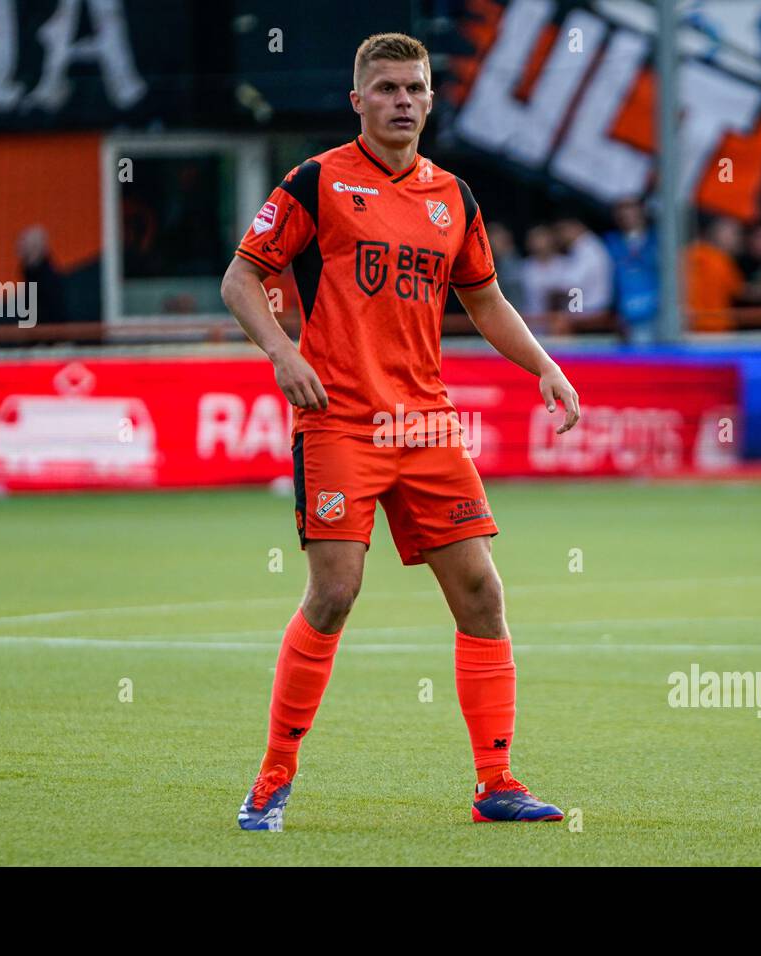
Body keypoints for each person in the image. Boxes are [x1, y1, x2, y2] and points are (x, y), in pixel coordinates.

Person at [220, 32, 581, 831]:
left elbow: (485, 300)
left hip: (425, 424)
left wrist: (545, 367)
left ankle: (498, 784)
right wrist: (281, 353)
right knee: (336, 592)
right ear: (359, 101)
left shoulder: (454, 196)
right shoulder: (315, 181)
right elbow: (241, 276)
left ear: (429, 98)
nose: (403, 101)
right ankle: (272, 778)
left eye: (415, 88)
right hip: (340, 421)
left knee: (483, 594)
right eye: (385, 89)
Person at [603, 198, 660, 342]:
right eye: (621, 208)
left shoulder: (659, 240)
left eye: (630, 207)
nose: (626, 213)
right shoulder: (610, 243)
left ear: (642, 210)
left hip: (657, 315)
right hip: (626, 317)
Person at [686, 217, 744, 332]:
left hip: (696, 328)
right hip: (711, 329)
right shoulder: (719, 260)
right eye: (733, 233)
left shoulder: (689, 253)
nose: (736, 238)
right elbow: (743, 292)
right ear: (716, 232)